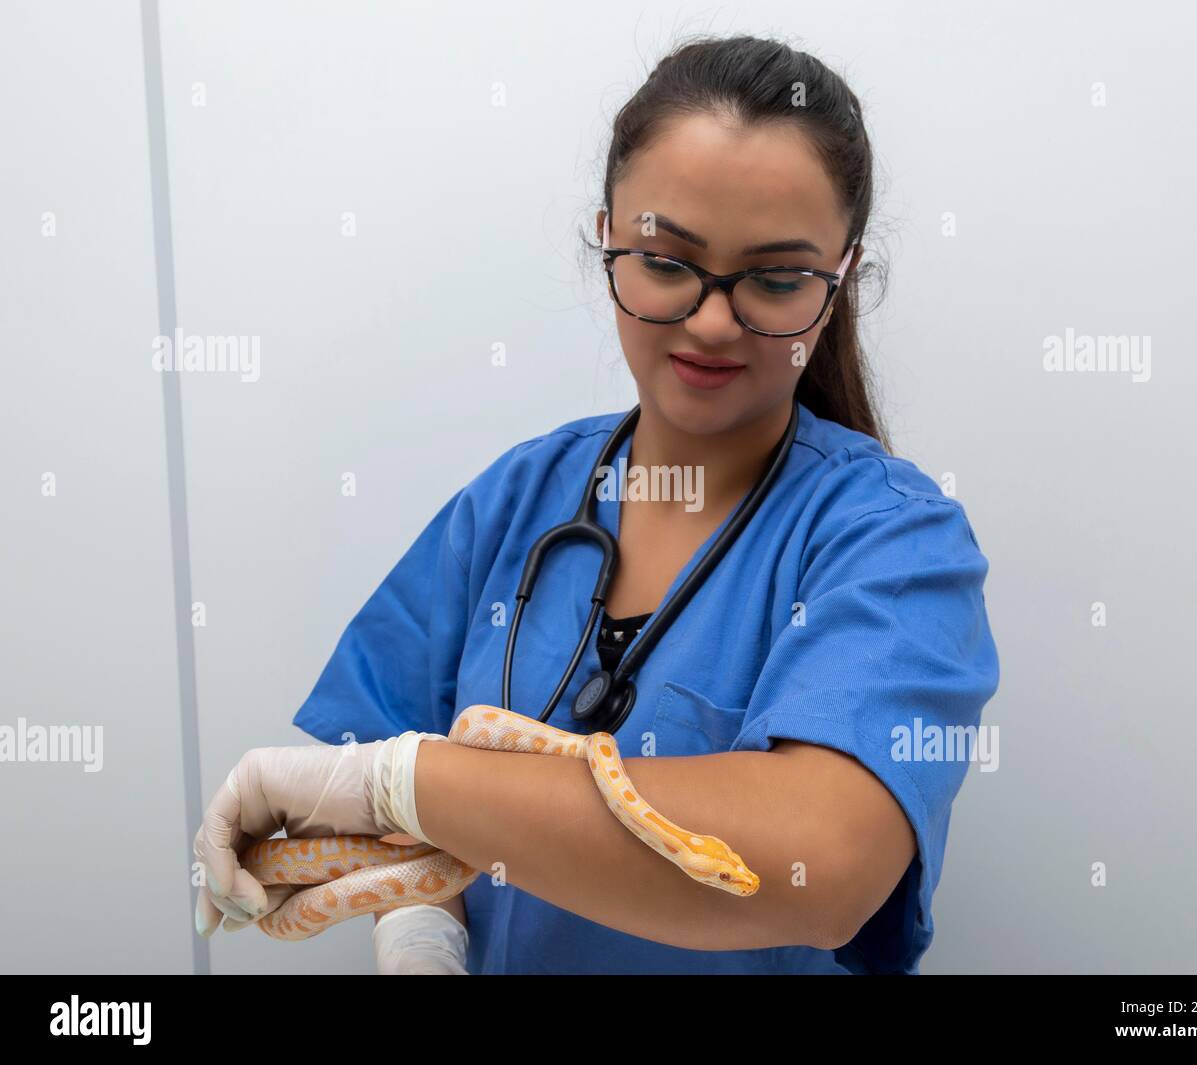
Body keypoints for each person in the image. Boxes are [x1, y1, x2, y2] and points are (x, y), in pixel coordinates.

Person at [192, 33, 999, 975]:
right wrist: (421, 927)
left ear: (840, 278)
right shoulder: (513, 502)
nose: (709, 320)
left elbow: (819, 863)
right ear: (607, 233)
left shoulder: (894, 542)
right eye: (667, 262)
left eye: (776, 280)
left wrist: (400, 783)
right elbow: (393, 784)